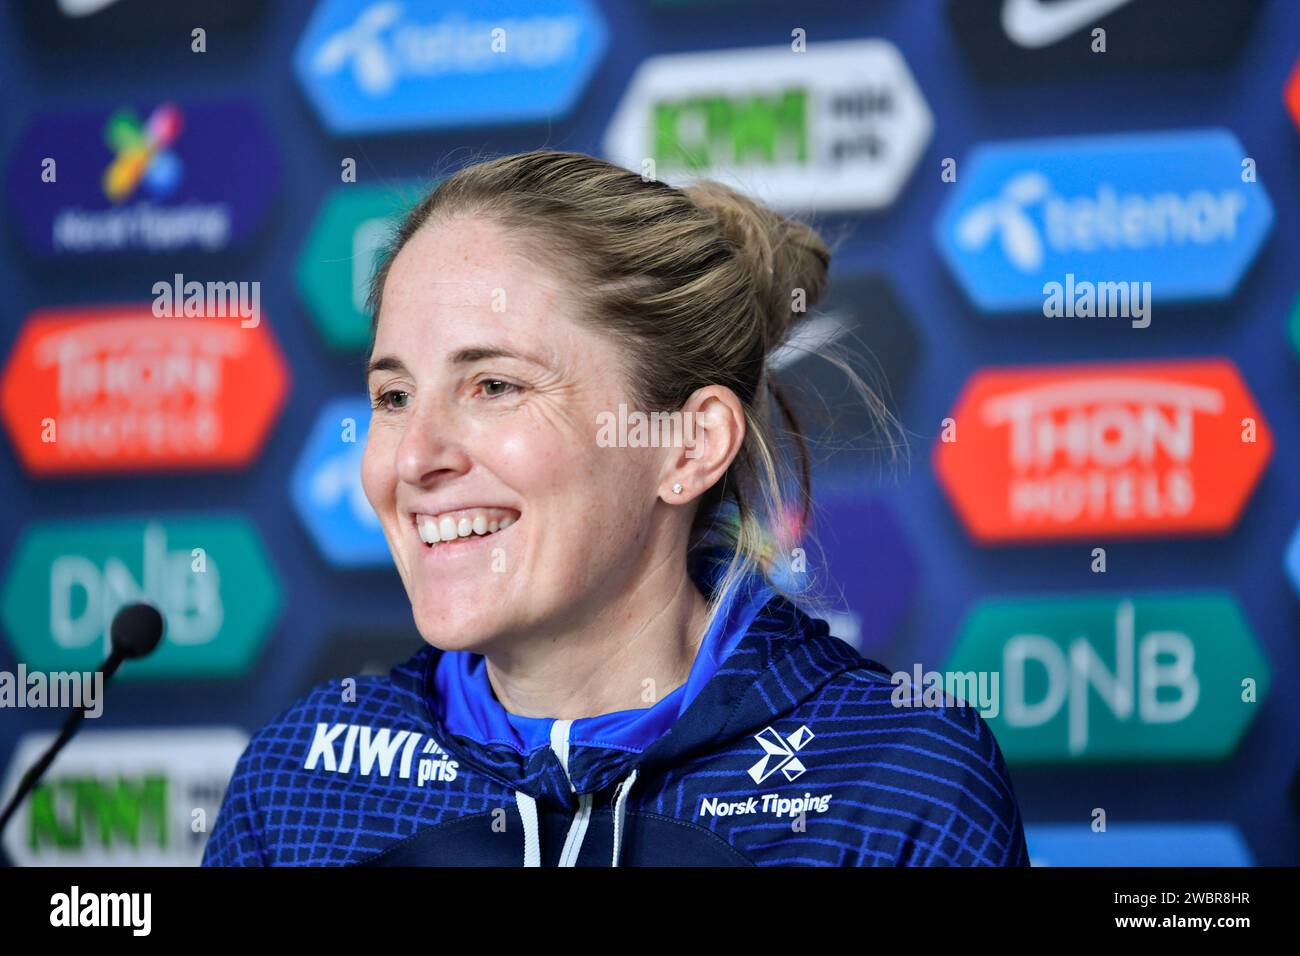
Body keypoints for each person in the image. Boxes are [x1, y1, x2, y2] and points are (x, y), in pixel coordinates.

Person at [203, 150, 1030, 866]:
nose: (414, 458)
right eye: (392, 395)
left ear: (688, 445)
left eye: (494, 386)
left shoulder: (896, 778)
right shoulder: (301, 782)